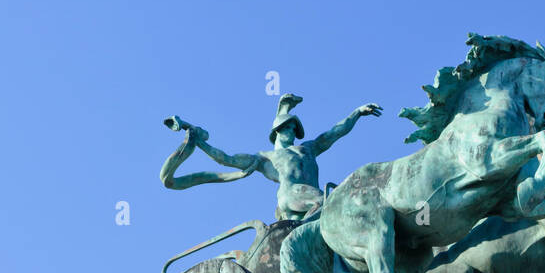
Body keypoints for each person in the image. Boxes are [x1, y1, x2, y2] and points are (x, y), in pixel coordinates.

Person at [160, 93, 382, 222]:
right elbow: (226, 159)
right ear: (277, 130)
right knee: (332, 204)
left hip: (311, 195)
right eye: (288, 126)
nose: (292, 130)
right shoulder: (265, 157)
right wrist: (199, 141)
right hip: (292, 195)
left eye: (295, 127)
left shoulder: (308, 148)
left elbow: (334, 133)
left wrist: (357, 113)